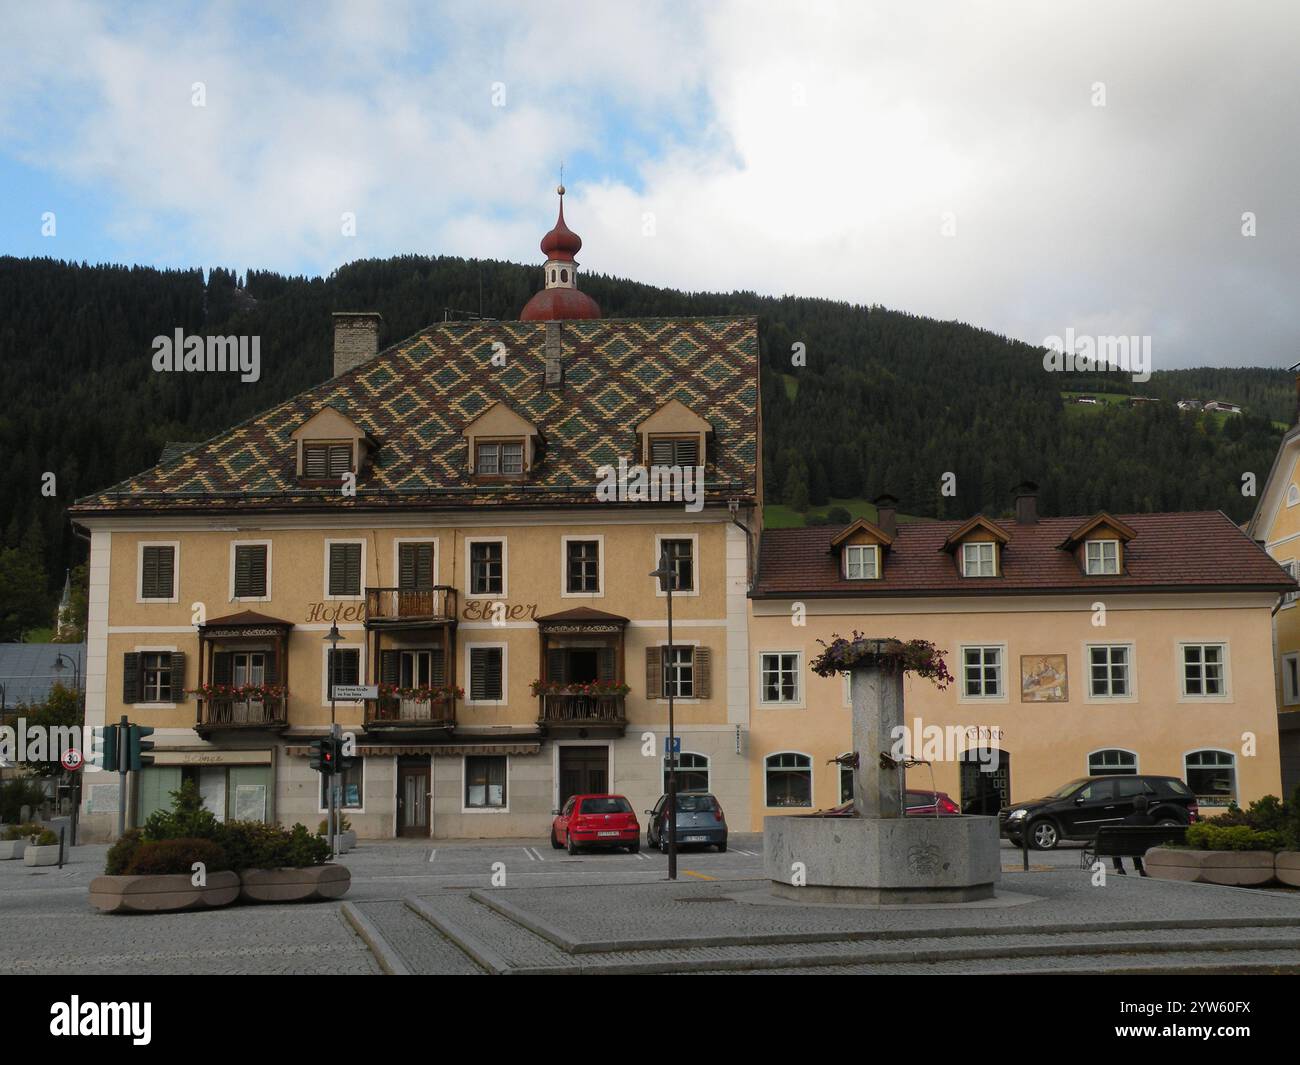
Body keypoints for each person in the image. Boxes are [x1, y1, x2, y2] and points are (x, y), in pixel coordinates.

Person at [1112, 794, 1155, 876]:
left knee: (1116, 844)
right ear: (1146, 806)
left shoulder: (1127, 820)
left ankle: (1120, 868)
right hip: (1147, 848)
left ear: (1134, 805)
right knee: (1136, 842)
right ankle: (1140, 869)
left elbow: (1118, 835)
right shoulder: (1151, 819)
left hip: (1131, 848)